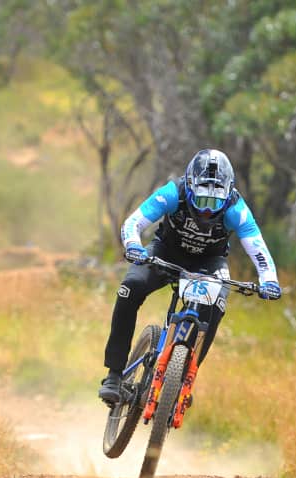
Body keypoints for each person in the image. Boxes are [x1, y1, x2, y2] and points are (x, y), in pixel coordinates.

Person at [98, 148, 282, 405]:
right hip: (165, 252)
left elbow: (258, 249)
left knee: (215, 309)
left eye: (215, 203)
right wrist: (133, 246)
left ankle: (184, 379)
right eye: (203, 201)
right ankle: (115, 374)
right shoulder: (173, 192)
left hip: (209, 263)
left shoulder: (237, 210)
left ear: (227, 196)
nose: (207, 211)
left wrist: (269, 280)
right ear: (191, 186)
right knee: (130, 288)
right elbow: (134, 222)